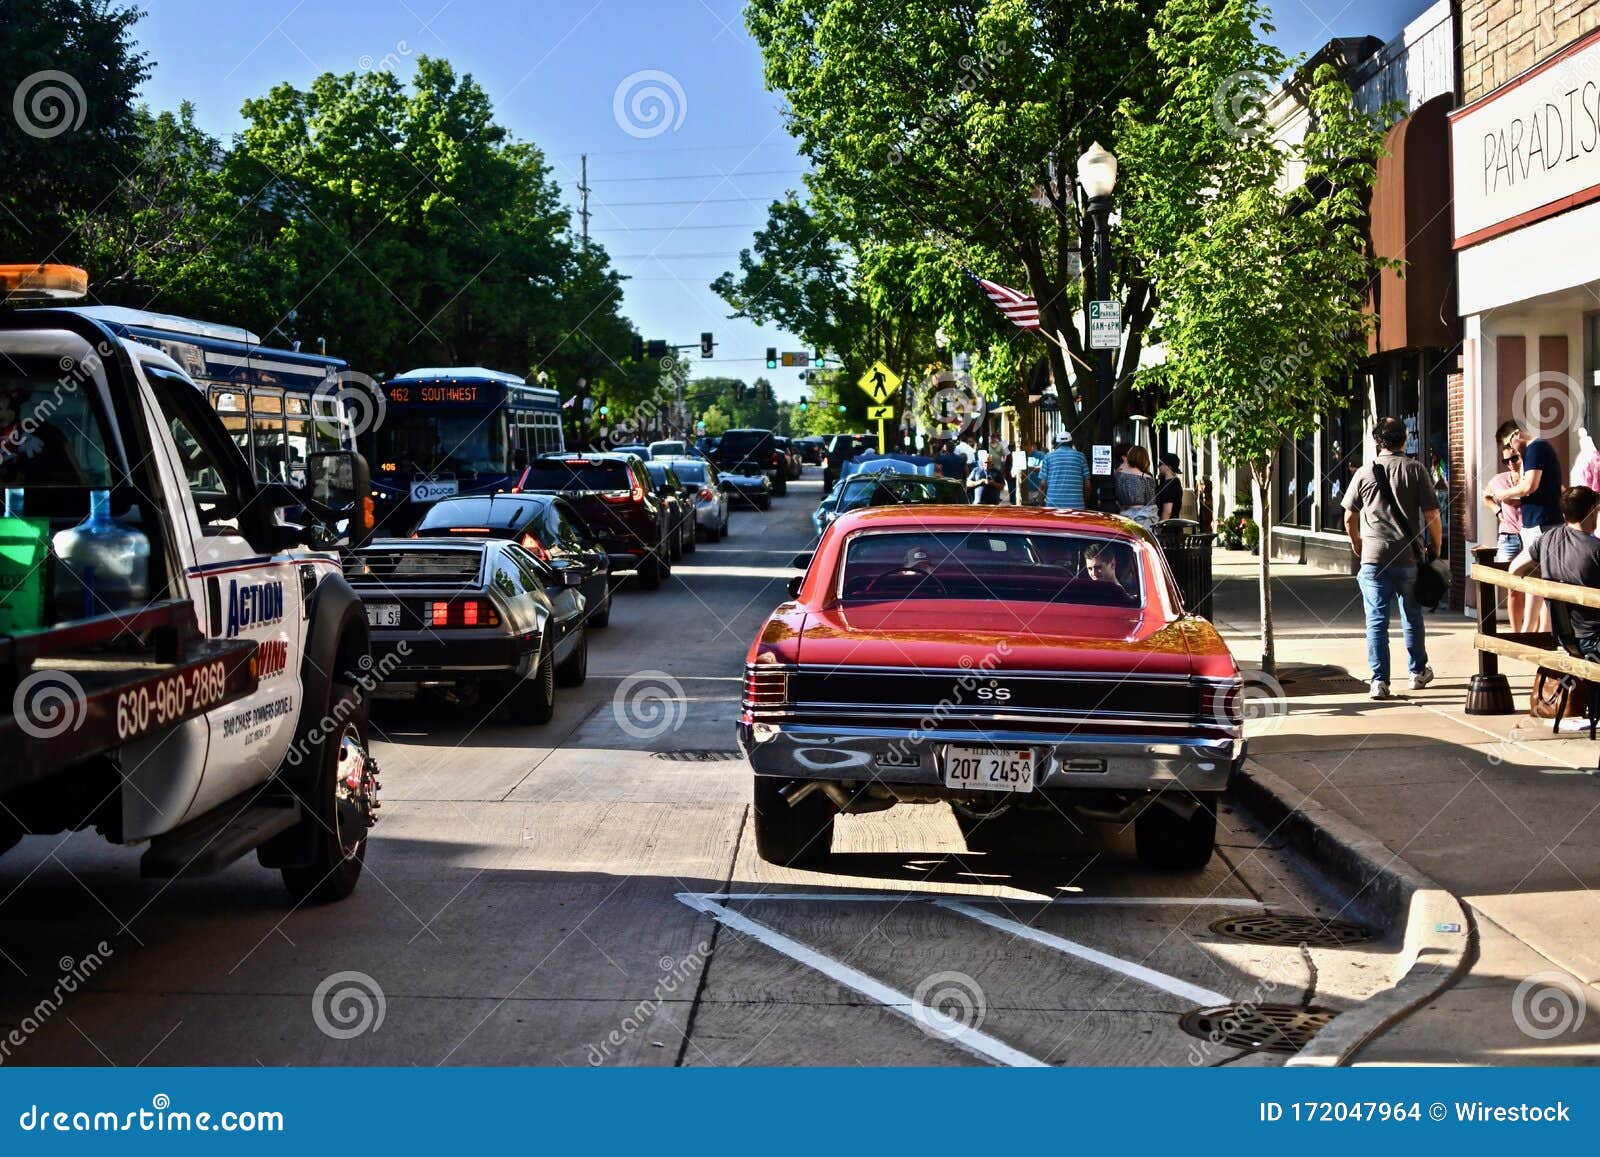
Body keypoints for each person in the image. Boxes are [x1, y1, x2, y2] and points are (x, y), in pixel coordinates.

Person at [1341, 416, 1442, 700]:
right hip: (1408, 556)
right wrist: (1437, 547)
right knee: (1412, 616)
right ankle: (1417, 672)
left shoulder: (1363, 473)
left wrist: (1357, 542)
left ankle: (1379, 681)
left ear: (1377, 442)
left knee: (1376, 620)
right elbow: (1433, 515)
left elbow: (1349, 516)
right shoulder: (1415, 470)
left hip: (1373, 556)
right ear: (1405, 439)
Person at [1490, 419, 1563, 631]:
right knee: (1535, 581)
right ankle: (1530, 632)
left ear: (1516, 435)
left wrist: (1503, 494)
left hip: (1543, 524)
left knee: (1525, 574)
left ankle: (1543, 632)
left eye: (1509, 445)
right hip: (1534, 524)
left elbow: (1530, 485)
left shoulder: (1537, 447)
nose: (1510, 451)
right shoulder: (1532, 452)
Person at [1511, 486, 1600, 658]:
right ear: (1591, 511)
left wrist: (1549, 575)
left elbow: (1514, 569)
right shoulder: (1595, 550)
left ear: (1565, 515)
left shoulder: (1546, 540)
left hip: (1564, 636)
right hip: (1593, 639)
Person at [1483, 443, 1527, 633]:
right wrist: (1498, 511)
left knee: (1537, 587)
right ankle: (1517, 632)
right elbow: (1486, 496)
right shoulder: (1499, 480)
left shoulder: (1532, 477)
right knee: (1512, 586)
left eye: (1514, 458)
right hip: (1508, 536)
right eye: (1506, 460)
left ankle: (1535, 632)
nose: (1510, 463)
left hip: (1531, 536)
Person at [1037, 434, 1090, 510]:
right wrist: (1085, 503)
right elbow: (1087, 486)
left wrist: (1041, 503)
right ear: (1071, 443)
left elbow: (1042, 485)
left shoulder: (1048, 457)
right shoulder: (1081, 457)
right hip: (1077, 506)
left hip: (1053, 506)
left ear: (1056, 443)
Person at [1115, 446, 1159, 527]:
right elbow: (1151, 502)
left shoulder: (1119, 474)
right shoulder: (1147, 477)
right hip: (1143, 518)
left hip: (1124, 515)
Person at [1155, 452, 1183, 521]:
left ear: (1169, 466)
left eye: (1161, 464)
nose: (1158, 467)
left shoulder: (1172, 484)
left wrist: (1159, 529)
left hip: (1168, 528)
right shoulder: (1172, 482)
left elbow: (1167, 511)